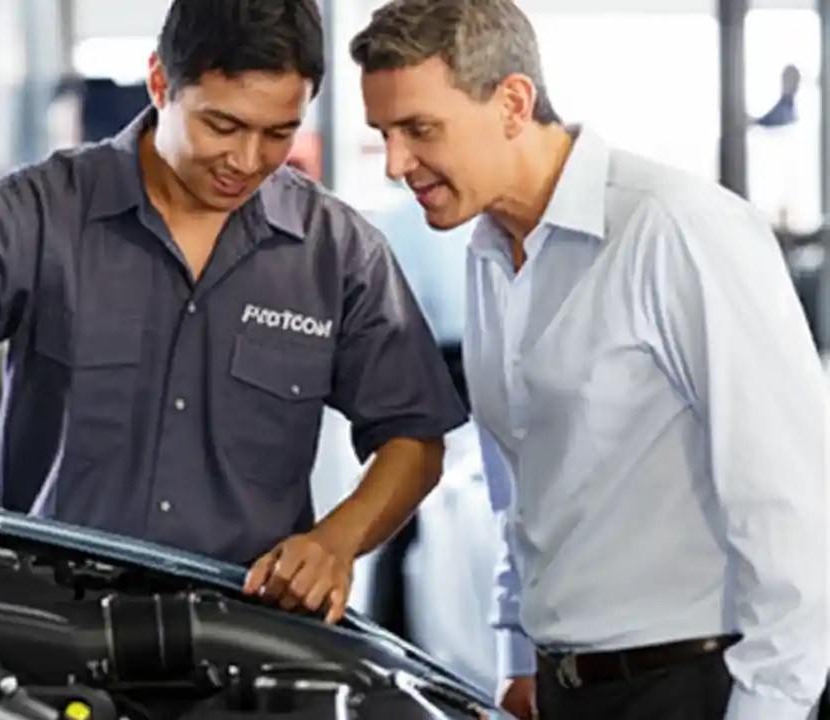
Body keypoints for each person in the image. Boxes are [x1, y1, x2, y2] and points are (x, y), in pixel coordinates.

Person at [0, 0, 469, 625]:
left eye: (278, 133)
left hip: (249, 636)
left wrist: (336, 542)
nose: (247, 159)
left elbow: (412, 438)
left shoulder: (336, 251)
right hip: (52, 624)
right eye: (222, 124)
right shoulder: (40, 213)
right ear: (161, 82)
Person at [350, 1, 828, 719]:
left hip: (695, 690)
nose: (395, 164)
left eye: (420, 130)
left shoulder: (678, 229)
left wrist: (771, 711)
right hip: (564, 688)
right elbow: (522, 487)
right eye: (384, 134)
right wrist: (517, 656)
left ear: (513, 102)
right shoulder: (489, 251)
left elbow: (791, 502)